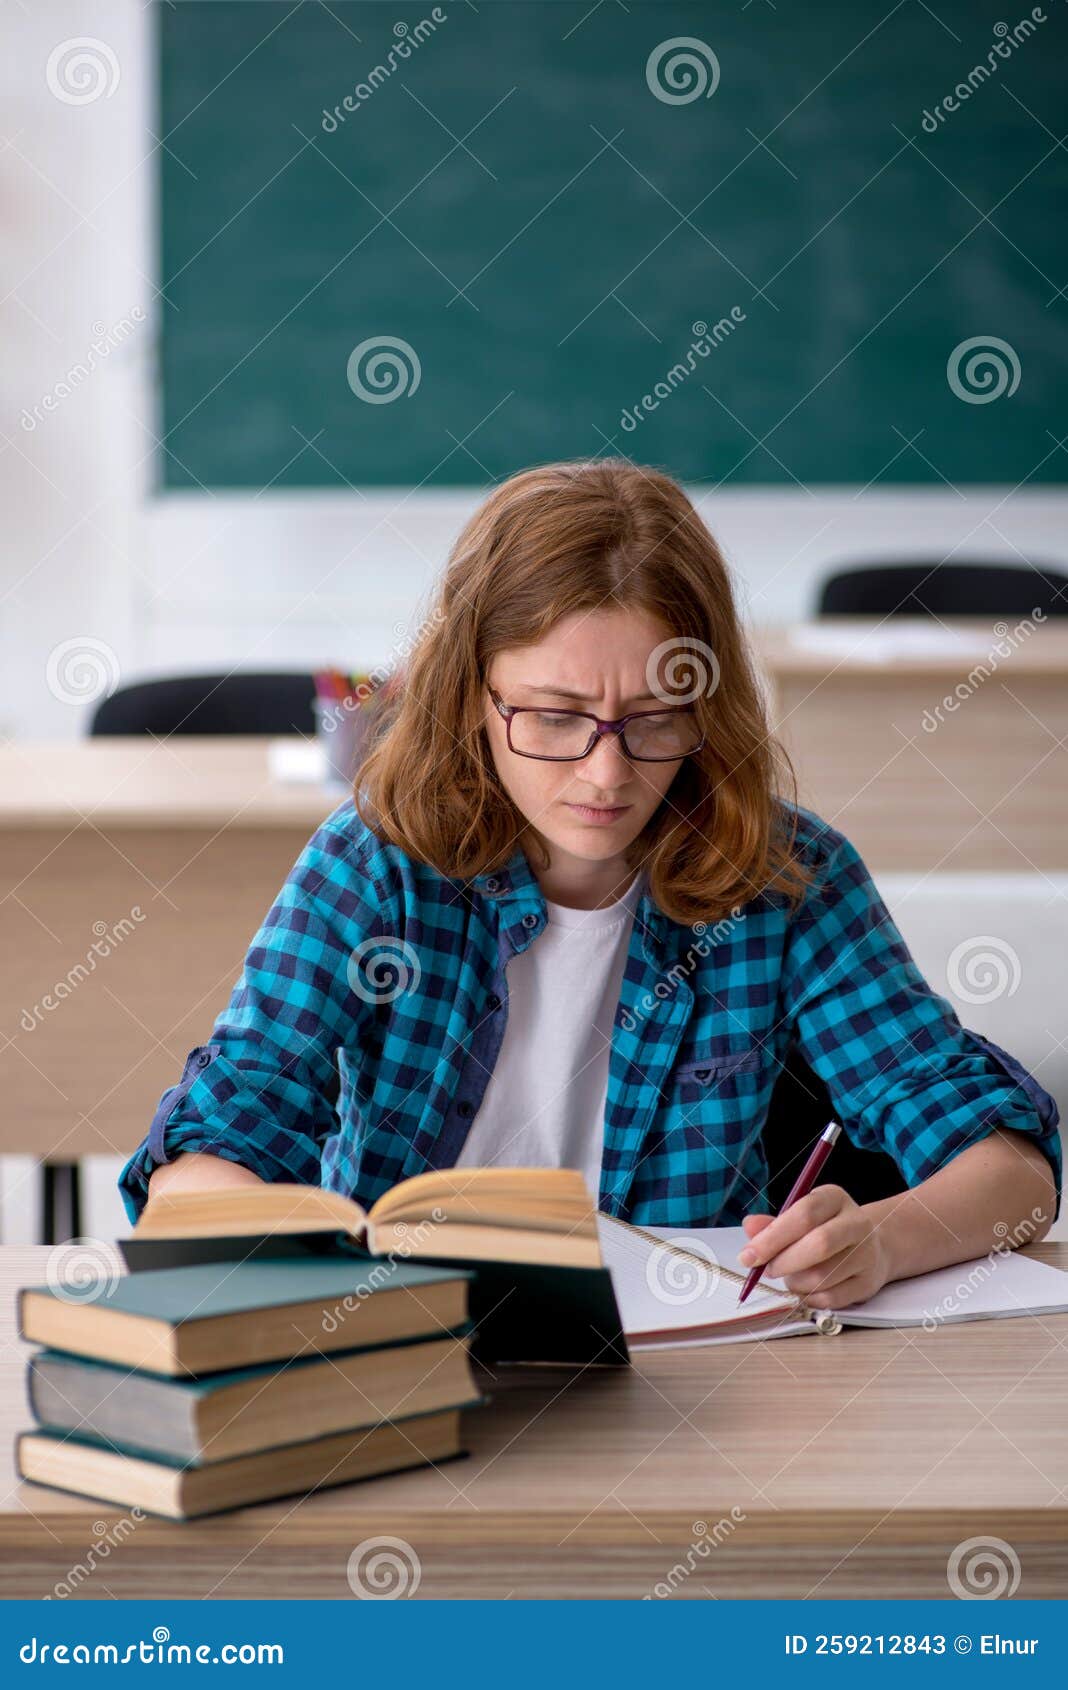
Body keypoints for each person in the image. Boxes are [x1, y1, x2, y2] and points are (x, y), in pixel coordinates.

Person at [118, 460, 1060, 1309]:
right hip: (405, 1364)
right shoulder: (375, 864)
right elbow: (211, 1152)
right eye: (555, 718)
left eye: (653, 718)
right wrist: (292, 1256)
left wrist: (885, 1241)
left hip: (686, 1391)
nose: (606, 774)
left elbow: (1012, 1174)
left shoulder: (786, 880)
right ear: (470, 697)